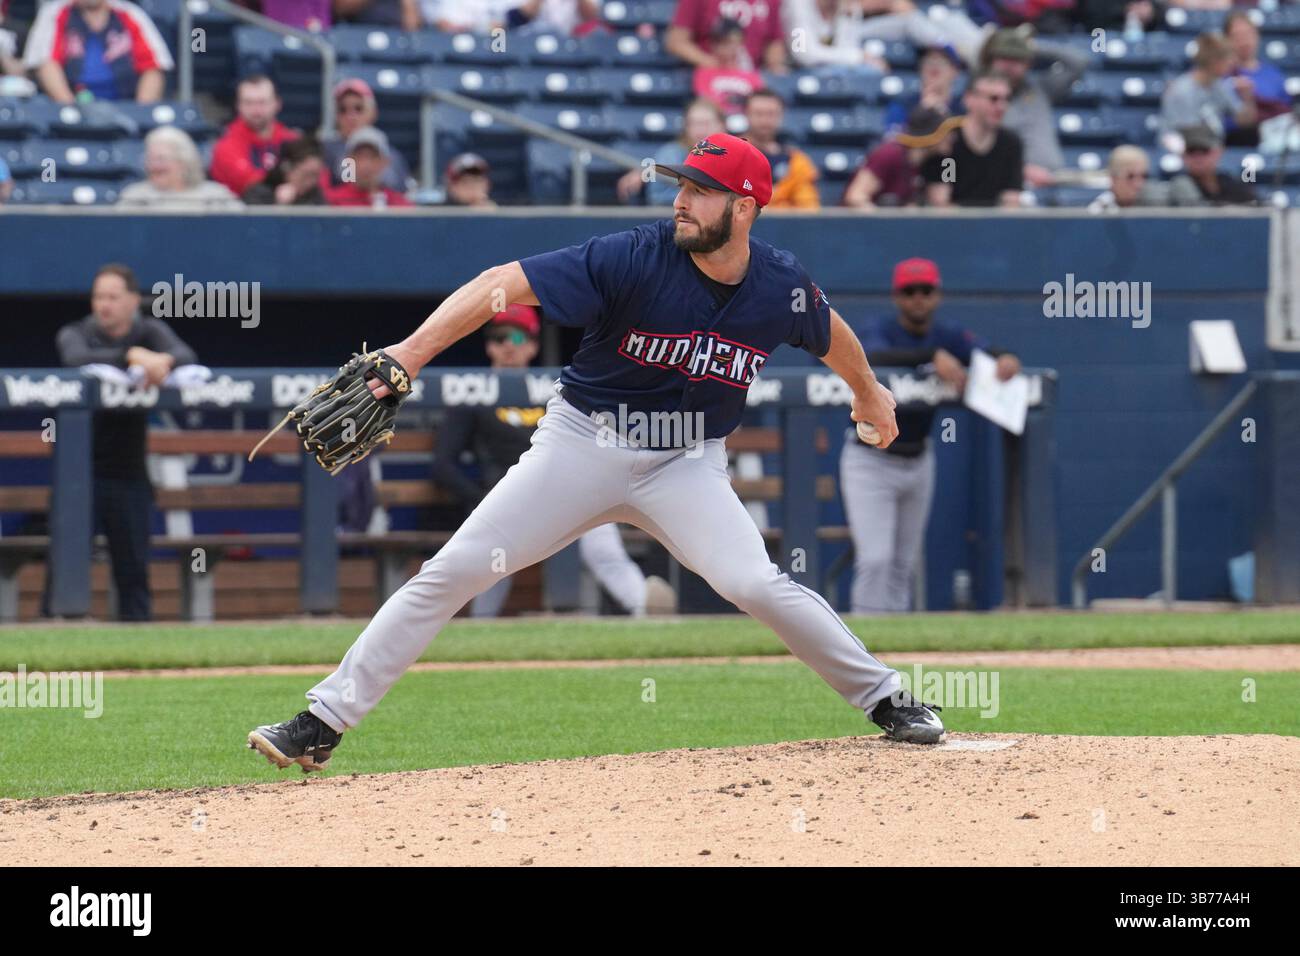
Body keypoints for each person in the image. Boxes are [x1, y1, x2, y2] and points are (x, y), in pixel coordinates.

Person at [247, 130, 947, 772]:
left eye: (700, 190)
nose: (680, 200)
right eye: (680, 184)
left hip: (687, 463)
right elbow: (503, 284)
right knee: (455, 568)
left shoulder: (779, 284)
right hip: (583, 445)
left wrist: (869, 393)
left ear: (745, 208)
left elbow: (828, 330)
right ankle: (323, 721)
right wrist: (412, 351)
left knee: (756, 585)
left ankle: (888, 700)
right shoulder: (633, 256)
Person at [432, 304, 676, 617]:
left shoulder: (559, 390)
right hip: (512, 497)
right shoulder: (471, 393)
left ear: (533, 345)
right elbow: (444, 465)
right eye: (500, 336)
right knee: (493, 561)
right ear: (489, 344)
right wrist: (482, 499)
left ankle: (646, 608)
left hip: (569, 490)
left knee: (603, 546)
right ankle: (481, 626)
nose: (509, 345)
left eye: (519, 338)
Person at [842, 257, 1019, 615]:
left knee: (903, 565)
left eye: (925, 291)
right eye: (910, 292)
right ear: (897, 296)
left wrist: (1005, 359)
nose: (918, 299)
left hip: (918, 457)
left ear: (937, 295)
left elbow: (985, 349)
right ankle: (865, 642)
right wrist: (930, 356)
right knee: (875, 559)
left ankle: (893, 644)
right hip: (870, 458)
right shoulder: (882, 329)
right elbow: (872, 355)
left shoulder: (947, 334)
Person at [54, 264, 198, 622]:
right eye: (99, 297)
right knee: (65, 567)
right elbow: (74, 358)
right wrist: (131, 356)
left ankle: (139, 644)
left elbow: (185, 357)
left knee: (133, 572)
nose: (104, 305)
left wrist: (158, 359)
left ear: (133, 300)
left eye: (113, 297)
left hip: (129, 473)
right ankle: (58, 637)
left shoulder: (149, 330)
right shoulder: (77, 333)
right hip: (78, 474)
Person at [978, 26, 1090, 187]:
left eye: (1017, 60)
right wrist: (1021, 170)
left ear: (1028, 63)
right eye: (1004, 58)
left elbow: (1080, 60)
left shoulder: (1040, 89)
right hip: (1010, 183)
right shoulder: (979, 98)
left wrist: (1032, 47)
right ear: (991, 61)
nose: (1010, 65)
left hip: (1053, 179)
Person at [23, 0, 172, 104]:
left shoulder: (129, 13)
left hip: (126, 105)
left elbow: (153, 67)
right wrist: (69, 107)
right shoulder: (55, 12)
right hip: (70, 107)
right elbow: (46, 64)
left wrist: (140, 114)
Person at [921, 70, 1023, 207]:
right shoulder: (949, 141)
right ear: (969, 99)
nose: (1001, 106)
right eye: (993, 99)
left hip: (995, 225)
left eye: (1006, 99)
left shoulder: (1010, 144)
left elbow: (1011, 200)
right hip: (954, 225)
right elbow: (941, 202)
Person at [617, 97, 726, 205]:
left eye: (705, 123)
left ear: (721, 125)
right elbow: (659, 197)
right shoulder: (671, 154)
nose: (700, 130)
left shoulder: (734, 154)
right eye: (693, 124)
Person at [209, 75, 300, 197]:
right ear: (238, 105)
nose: (256, 110)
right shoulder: (225, 146)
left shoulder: (292, 140)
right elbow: (251, 184)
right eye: (248, 103)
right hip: (239, 213)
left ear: (277, 104)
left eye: (262, 102)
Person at [843, 106, 950, 208]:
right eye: (946, 133)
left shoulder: (933, 162)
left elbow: (940, 203)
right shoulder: (890, 154)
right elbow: (856, 197)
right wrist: (887, 221)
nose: (952, 137)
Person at [1160, 31, 1255, 145]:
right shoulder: (1182, 90)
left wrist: (1247, 97)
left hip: (1211, 148)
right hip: (1182, 149)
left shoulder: (1219, 85)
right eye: (1228, 58)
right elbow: (1190, 135)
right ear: (1214, 61)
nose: (1232, 63)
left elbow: (1244, 121)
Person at [117, 126, 244, 210]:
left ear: (184, 162)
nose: (154, 166)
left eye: (161, 159)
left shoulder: (215, 197)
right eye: (150, 159)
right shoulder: (134, 198)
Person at [323, 78, 414, 193]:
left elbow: (399, 193)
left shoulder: (391, 155)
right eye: (343, 109)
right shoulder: (325, 151)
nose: (350, 116)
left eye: (358, 108)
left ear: (373, 112)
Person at [742, 88, 820, 209]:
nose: (764, 120)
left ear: (781, 116)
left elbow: (808, 208)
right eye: (758, 113)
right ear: (746, 114)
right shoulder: (730, 154)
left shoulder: (796, 160)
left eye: (771, 114)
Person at [1224, 10, 1290, 147]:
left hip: (1277, 139)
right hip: (1235, 142)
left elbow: (1286, 112)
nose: (1244, 41)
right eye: (1237, 36)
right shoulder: (1222, 75)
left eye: (1248, 34)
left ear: (1257, 36)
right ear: (1227, 40)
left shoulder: (1273, 74)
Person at [667, 0, 789, 74]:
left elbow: (775, 40)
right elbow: (676, 41)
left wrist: (773, 66)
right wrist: (711, 64)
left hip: (751, 76)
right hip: (707, 74)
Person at [882, 43, 964, 135]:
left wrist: (943, 114)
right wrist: (920, 113)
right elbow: (892, 141)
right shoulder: (902, 105)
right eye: (928, 60)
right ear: (920, 68)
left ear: (955, 71)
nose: (934, 65)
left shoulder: (964, 109)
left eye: (942, 61)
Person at [1168, 124, 1257, 206]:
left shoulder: (1233, 186)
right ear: (1183, 156)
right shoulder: (1177, 189)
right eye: (1191, 151)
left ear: (1218, 153)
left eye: (1204, 151)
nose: (1198, 157)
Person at [326, 126, 414, 207]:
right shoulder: (331, 202)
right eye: (359, 157)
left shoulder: (399, 205)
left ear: (384, 162)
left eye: (372, 157)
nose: (366, 165)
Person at [692, 18, 764, 115]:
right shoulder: (704, 72)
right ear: (713, 44)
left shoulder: (752, 75)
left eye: (732, 42)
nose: (728, 47)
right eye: (722, 42)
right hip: (718, 121)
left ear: (741, 42)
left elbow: (758, 103)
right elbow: (706, 103)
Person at [242, 136, 327, 205]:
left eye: (316, 176)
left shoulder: (315, 195)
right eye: (306, 175)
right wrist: (280, 206)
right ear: (287, 168)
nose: (311, 182)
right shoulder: (259, 193)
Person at [1087, 144, 1170, 212]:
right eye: (1130, 177)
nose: (1139, 184)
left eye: (1144, 176)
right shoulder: (1098, 211)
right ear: (1113, 178)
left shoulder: (1157, 209)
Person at [334, 0, 421, 30]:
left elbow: (412, 27)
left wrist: (408, 4)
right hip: (358, 37)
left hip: (395, 39)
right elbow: (341, 7)